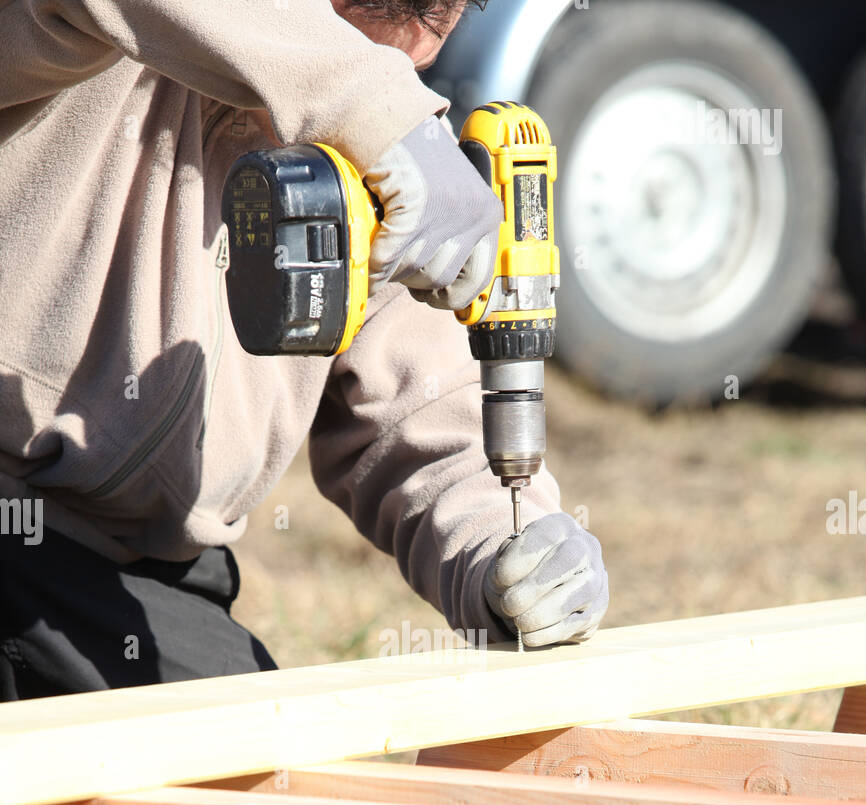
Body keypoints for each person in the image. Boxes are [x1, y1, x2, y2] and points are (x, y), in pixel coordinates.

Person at [0, 0, 609, 699]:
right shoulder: (83, 34)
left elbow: (419, 405)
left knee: (266, 782)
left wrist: (502, 544)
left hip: (129, 563)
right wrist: (370, 103)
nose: (407, 47)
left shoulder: (372, 136)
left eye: (443, 16)